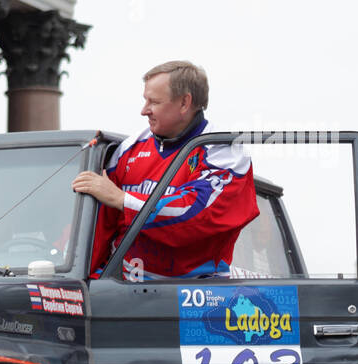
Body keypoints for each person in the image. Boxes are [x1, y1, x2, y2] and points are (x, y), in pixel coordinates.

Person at [73, 60, 258, 281]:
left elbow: (194, 215)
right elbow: (97, 228)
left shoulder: (224, 151)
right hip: (121, 291)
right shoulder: (128, 149)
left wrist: (121, 198)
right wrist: (85, 283)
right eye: (145, 100)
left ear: (184, 103)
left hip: (194, 296)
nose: (144, 111)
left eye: (154, 102)